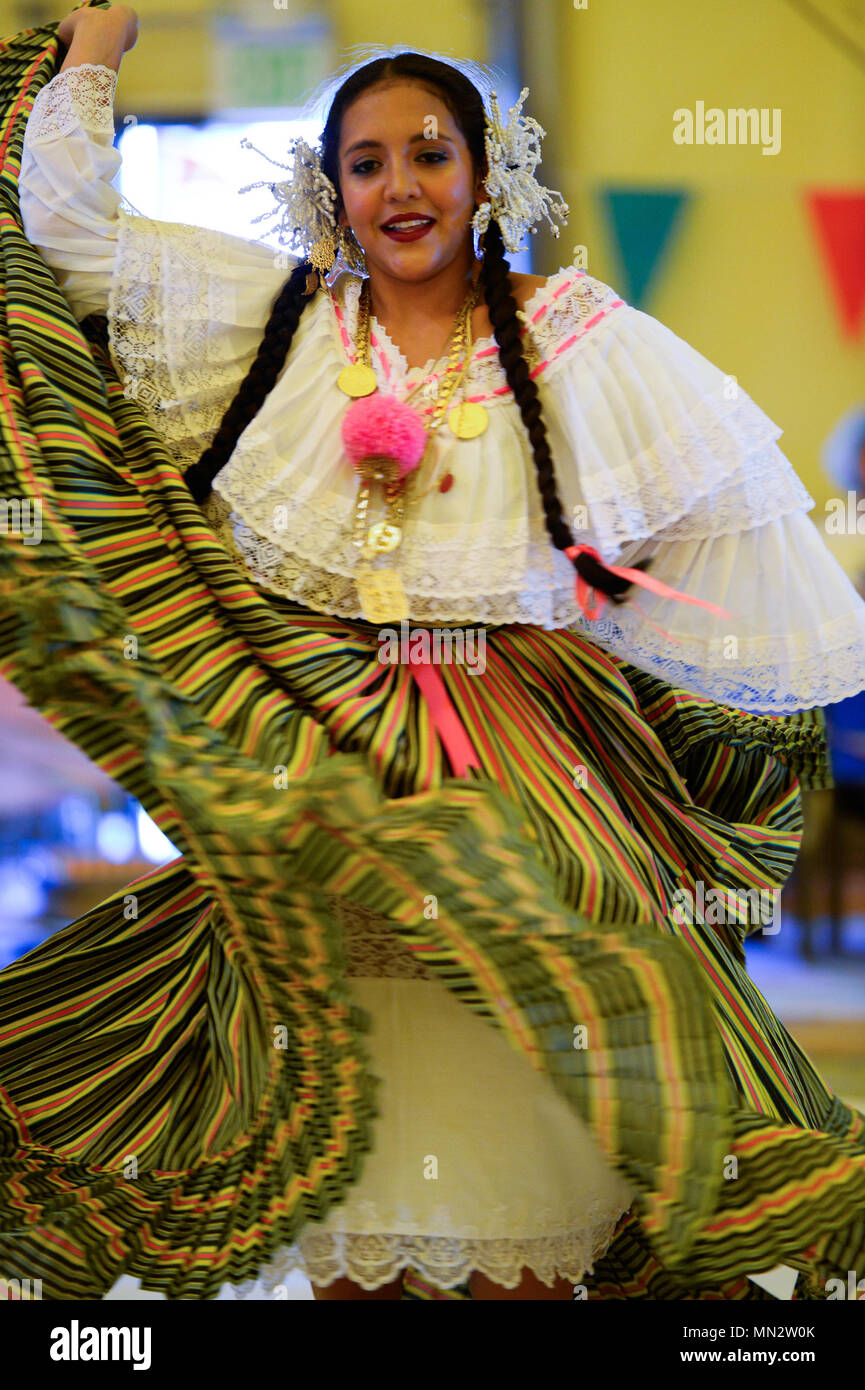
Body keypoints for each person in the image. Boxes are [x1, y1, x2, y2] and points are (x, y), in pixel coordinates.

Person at [1, 0, 865, 1302]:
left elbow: (720, 526)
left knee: (519, 1092)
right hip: (325, 758)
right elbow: (72, 234)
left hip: (527, 773)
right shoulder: (280, 323)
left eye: (427, 153)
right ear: (331, 189)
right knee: (353, 1146)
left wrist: (631, 687)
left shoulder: (580, 338)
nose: (398, 184)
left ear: (482, 173)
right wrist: (93, 59)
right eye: (365, 161)